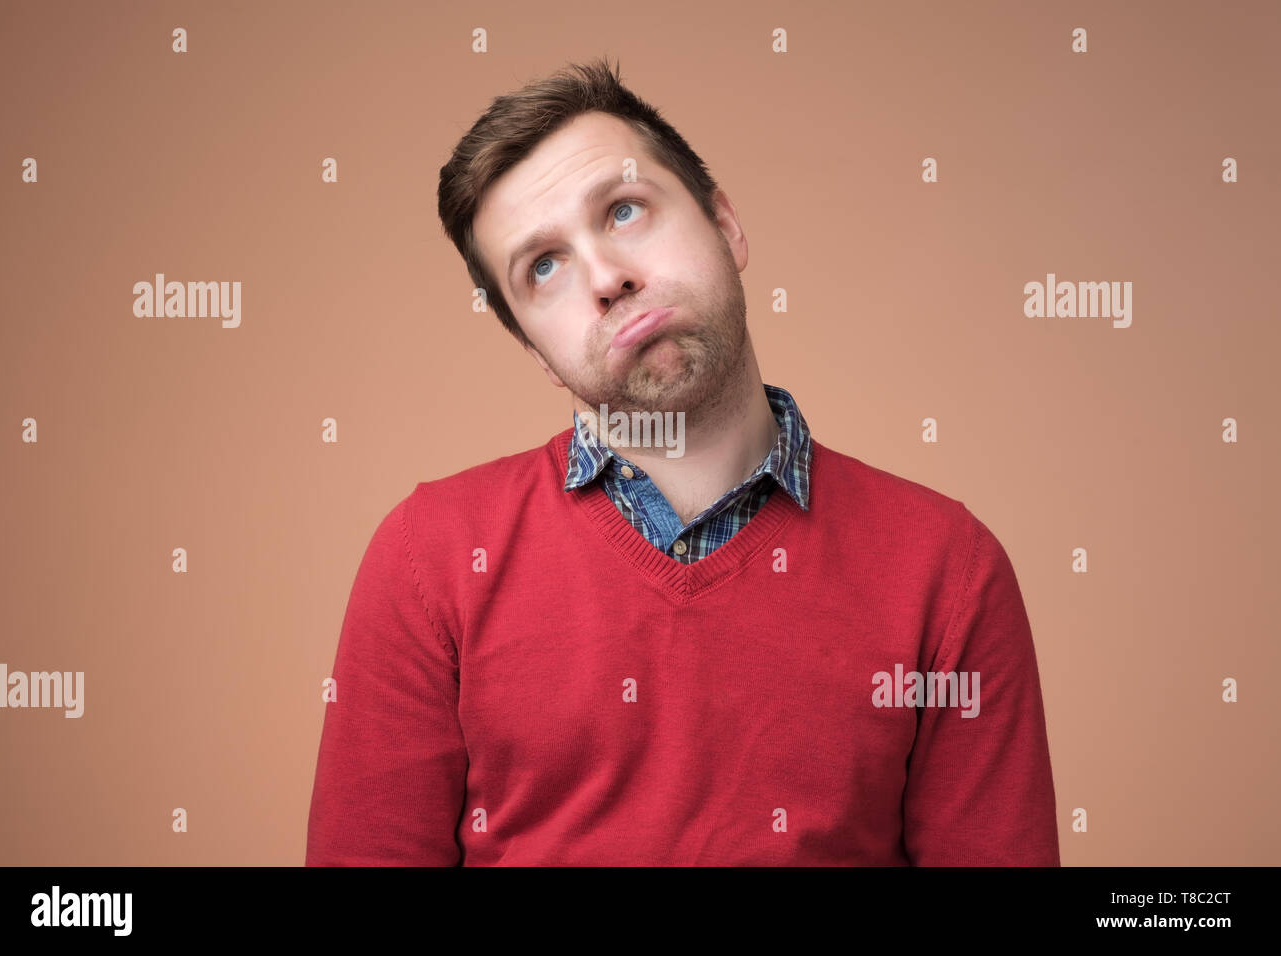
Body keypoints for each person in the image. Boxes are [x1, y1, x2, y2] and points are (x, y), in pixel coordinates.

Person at [305, 56, 1060, 866]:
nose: (606, 278)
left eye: (625, 210)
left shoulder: (946, 566)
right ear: (538, 353)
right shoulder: (430, 558)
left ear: (726, 225)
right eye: (544, 267)